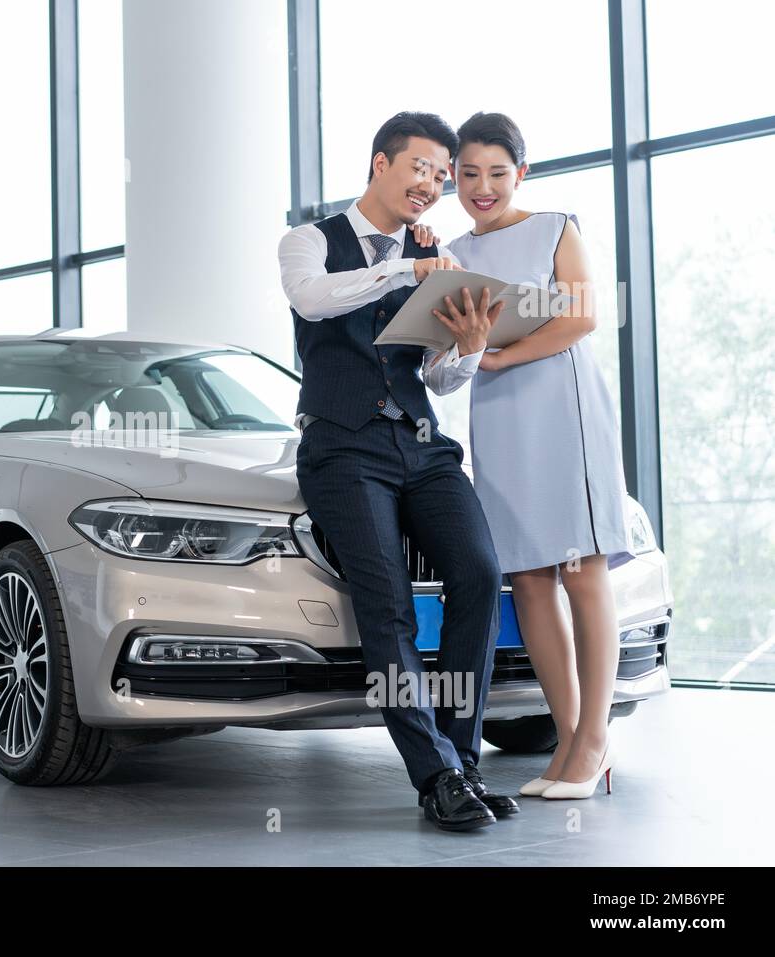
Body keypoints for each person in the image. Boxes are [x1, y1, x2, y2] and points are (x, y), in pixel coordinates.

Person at [279, 111, 519, 831]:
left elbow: (439, 380)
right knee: (386, 606)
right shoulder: (308, 241)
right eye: (424, 169)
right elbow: (312, 300)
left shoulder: (433, 252)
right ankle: (434, 772)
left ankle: (461, 761)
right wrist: (404, 268)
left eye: (442, 177)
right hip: (343, 446)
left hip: (421, 442)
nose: (434, 185)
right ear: (381, 163)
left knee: (478, 572)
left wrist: (469, 346)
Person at [432, 111, 629, 800]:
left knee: (581, 568)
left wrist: (502, 351)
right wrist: (472, 351)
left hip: (560, 405)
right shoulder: (451, 253)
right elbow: (443, 348)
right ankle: (573, 739)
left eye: (496, 172)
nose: (482, 186)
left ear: (522, 172)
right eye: (468, 174)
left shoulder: (555, 227)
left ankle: (595, 738)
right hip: (498, 416)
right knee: (531, 577)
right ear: (452, 176)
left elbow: (581, 315)